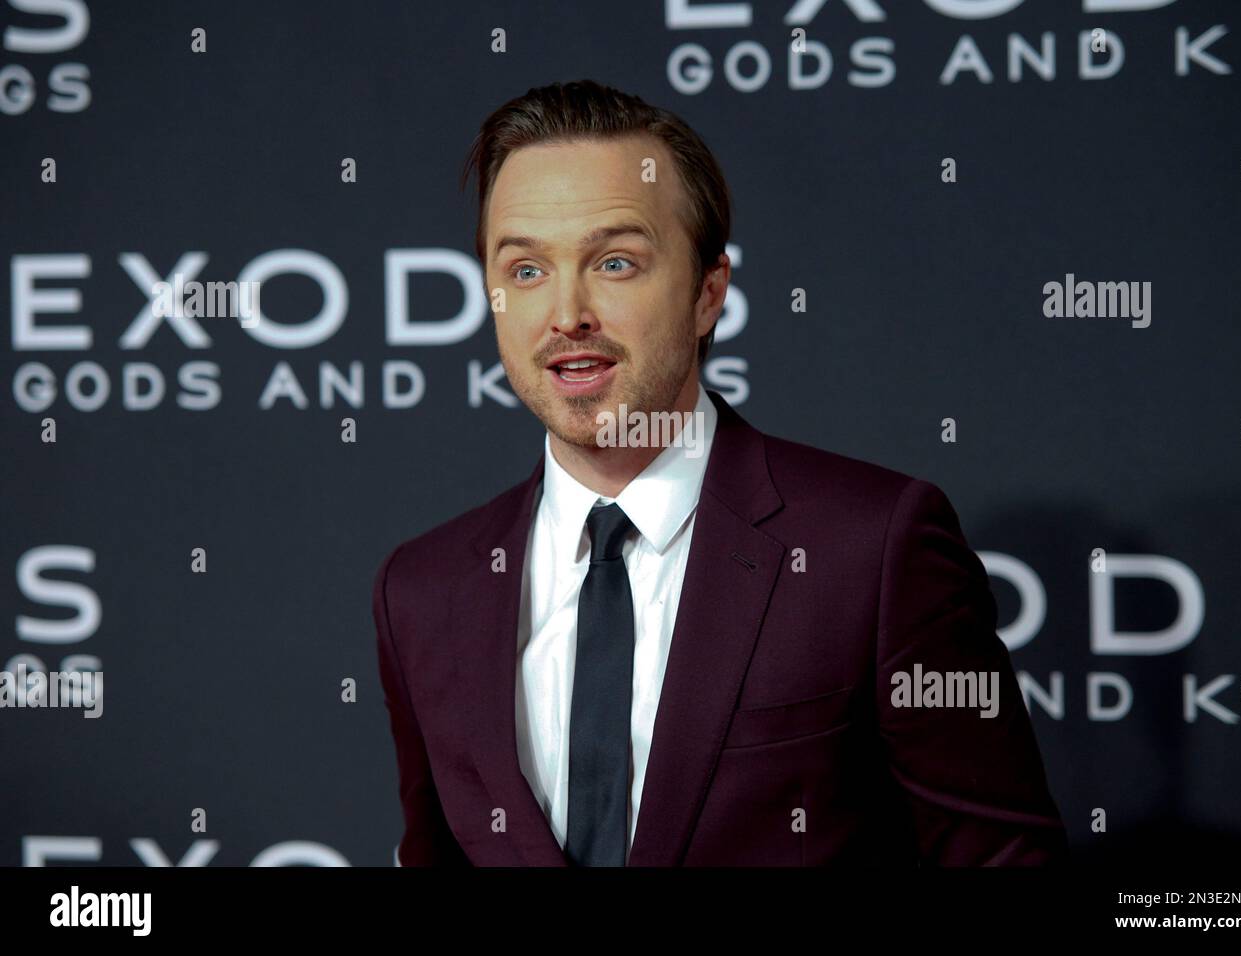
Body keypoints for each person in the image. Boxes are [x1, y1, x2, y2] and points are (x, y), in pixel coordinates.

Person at [373, 79, 1067, 866]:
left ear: (709, 293)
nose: (567, 313)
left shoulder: (869, 550)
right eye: (526, 270)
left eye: (616, 262)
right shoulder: (423, 592)